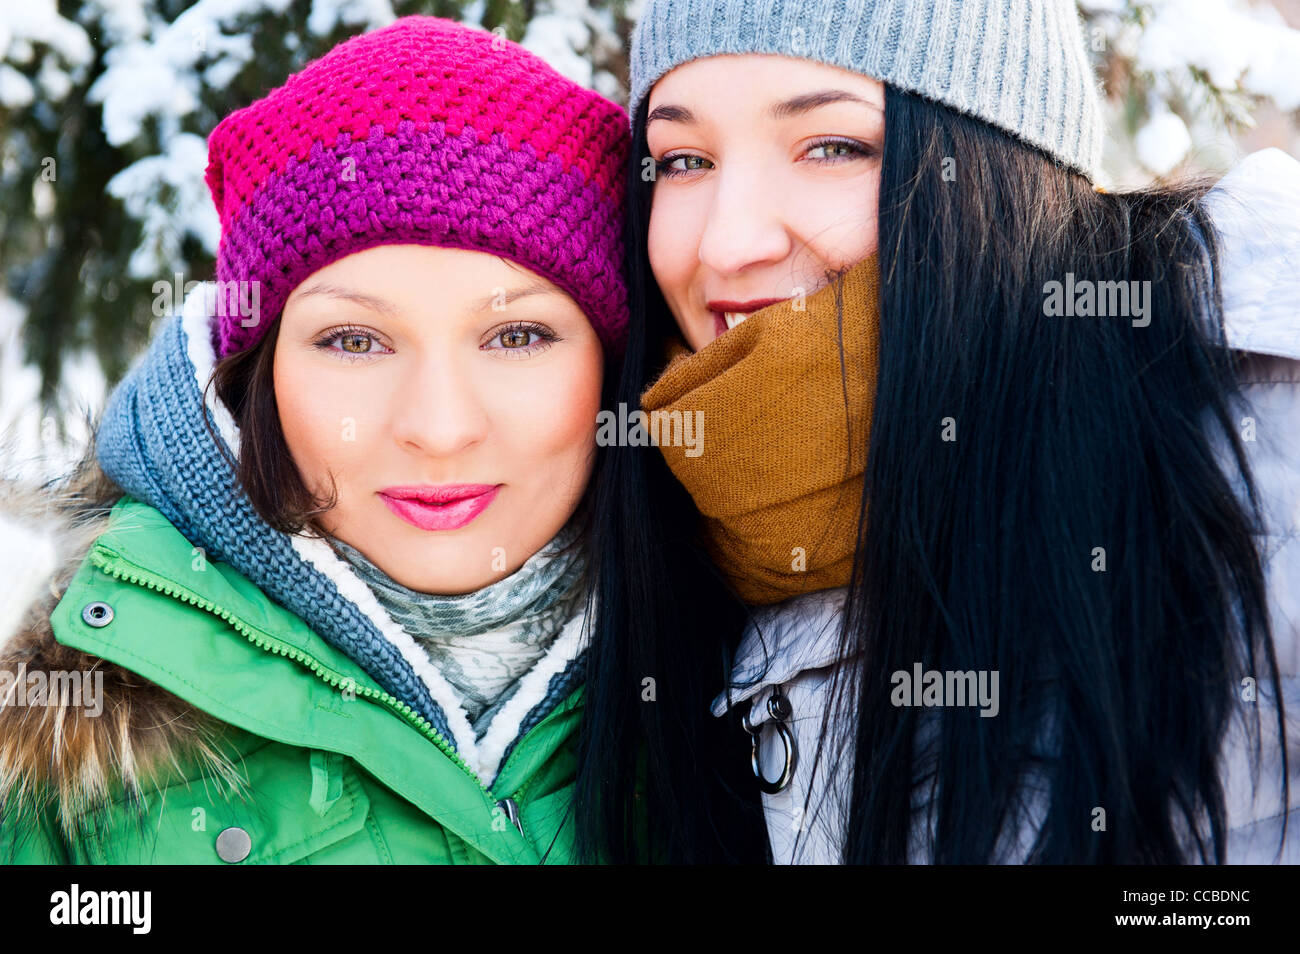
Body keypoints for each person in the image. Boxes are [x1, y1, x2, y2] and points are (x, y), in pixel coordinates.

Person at [588, 0, 1300, 863]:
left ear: (999, 163)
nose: (727, 242)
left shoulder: (1249, 424)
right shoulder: (657, 525)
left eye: (835, 146)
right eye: (685, 159)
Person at [0, 15, 632, 864]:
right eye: (355, 341)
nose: (439, 430)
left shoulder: (754, 673)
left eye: (516, 336)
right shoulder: (50, 712)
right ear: (257, 374)